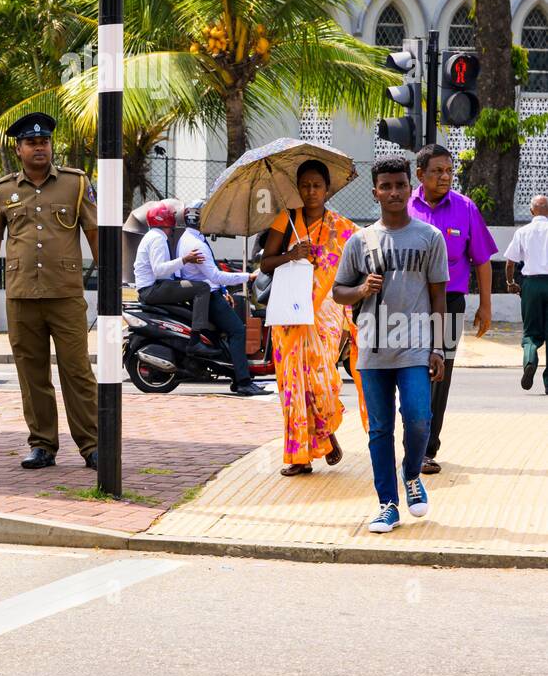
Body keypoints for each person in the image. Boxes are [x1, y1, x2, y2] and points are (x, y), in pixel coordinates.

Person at [0, 113, 99, 471]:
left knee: (77, 373)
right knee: (32, 376)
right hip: (22, 297)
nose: (39, 147)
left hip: (66, 295)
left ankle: (92, 445)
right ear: (19, 148)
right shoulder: (3, 190)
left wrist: (109, 286)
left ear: (51, 146)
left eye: (44, 142)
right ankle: (42, 445)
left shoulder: (75, 184)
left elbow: (95, 233)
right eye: (31, 142)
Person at [333, 156, 448, 534]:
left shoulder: (429, 238)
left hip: (415, 345)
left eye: (400, 185)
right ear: (375, 192)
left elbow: (438, 295)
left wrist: (440, 348)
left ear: (409, 188)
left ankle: (411, 472)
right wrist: (361, 288)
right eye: (386, 186)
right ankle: (387, 504)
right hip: (371, 348)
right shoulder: (360, 241)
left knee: (419, 419)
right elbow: (339, 293)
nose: (394, 192)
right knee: (379, 430)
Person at [260, 159, 361, 474]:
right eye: (305, 185)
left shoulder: (344, 228)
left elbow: (360, 262)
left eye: (317, 185)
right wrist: (293, 255)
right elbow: (265, 264)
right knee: (293, 383)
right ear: (298, 189)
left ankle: (326, 431)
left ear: (327, 189)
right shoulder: (286, 219)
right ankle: (299, 457)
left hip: (326, 316)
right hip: (290, 315)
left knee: (322, 380)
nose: (311, 191)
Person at [410, 143, 496, 474]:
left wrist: (485, 306)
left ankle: (427, 448)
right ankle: (410, 439)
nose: (445, 177)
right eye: (437, 171)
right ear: (420, 174)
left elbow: (483, 260)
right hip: (409, 303)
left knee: (438, 373)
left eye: (449, 171)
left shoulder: (465, 207)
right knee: (409, 370)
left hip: (449, 303)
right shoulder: (404, 206)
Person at [176, 202, 272, 397]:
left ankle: (238, 376)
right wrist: (248, 277)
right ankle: (243, 382)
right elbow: (215, 276)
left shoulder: (189, 238)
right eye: (209, 216)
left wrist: (223, 290)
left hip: (211, 292)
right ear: (198, 218)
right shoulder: (196, 244)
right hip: (209, 297)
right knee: (237, 331)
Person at [134, 203, 214, 347]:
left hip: (153, 287)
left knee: (188, 287)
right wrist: (185, 259)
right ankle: (195, 339)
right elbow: (159, 270)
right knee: (202, 288)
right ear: (166, 220)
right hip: (152, 289)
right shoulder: (157, 239)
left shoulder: (153, 236)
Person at [503, 194, 548, 392]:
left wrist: (511, 282)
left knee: (531, 332)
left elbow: (510, 262)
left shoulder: (523, 232)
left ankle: (530, 360)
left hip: (531, 285)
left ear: (531, 211)